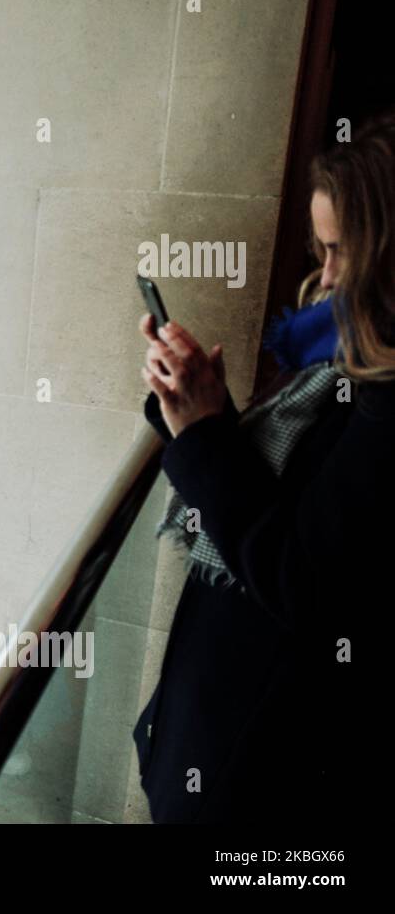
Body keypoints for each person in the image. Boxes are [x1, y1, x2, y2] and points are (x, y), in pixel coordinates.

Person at [129, 123, 392, 825]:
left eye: (342, 251)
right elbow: (291, 491)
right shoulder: (345, 358)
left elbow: (303, 574)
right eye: (322, 249)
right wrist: (194, 410)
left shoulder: (385, 395)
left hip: (261, 780)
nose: (327, 277)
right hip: (224, 740)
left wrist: (209, 429)